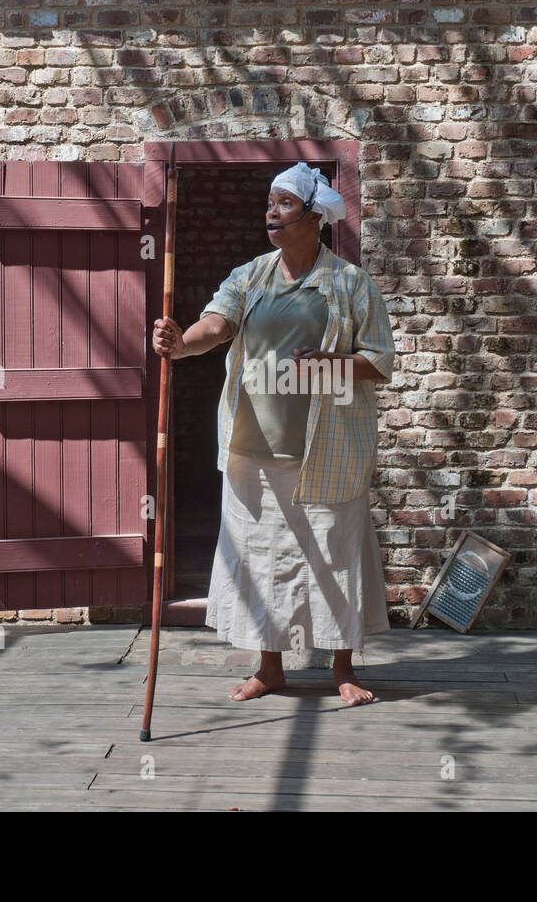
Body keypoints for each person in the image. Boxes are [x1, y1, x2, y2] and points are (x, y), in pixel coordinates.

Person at [151, 162, 395, 706]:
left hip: (328, 446)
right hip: (252, 449)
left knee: (334, 555)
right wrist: (180, 341)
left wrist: (331, 363)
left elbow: (380, 363)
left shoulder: (350, 284)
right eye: (268, 203)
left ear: (314, 217)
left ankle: (343, 669)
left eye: (284, 203)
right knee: (263, 558)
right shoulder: (250, 276)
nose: (271, 212)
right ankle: (270, 668)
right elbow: (215, 326)